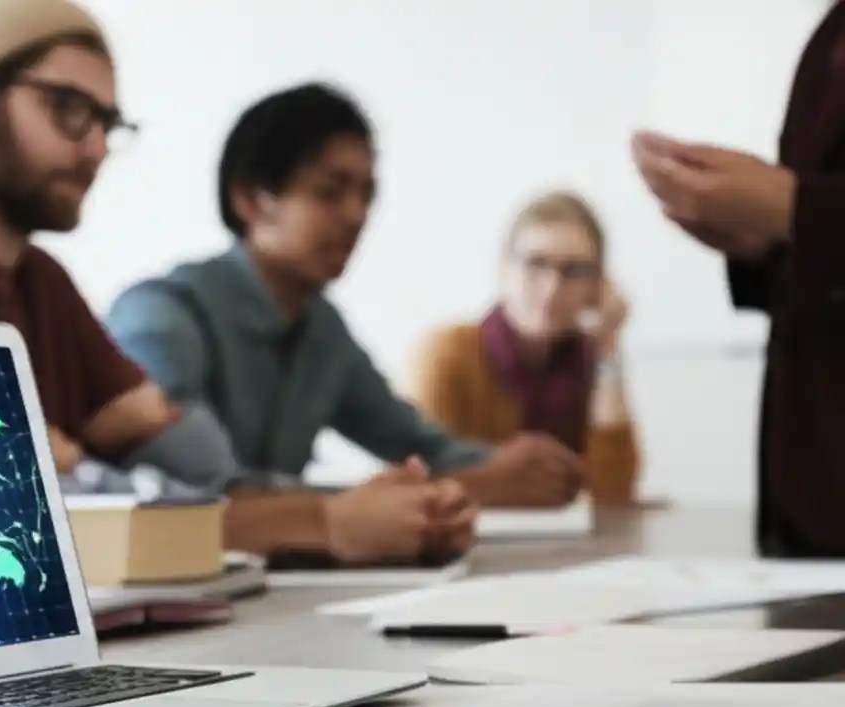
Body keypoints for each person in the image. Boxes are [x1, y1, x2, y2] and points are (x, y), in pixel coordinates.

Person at [0, 0, 476, 564]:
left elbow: (202, 478)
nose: (97, 148)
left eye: (107, 123)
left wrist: (366, 512)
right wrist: (327, 522)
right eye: (68, 109)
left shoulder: (44, 283)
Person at [107, 83, 587, 509]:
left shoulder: (321, 330)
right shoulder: (160, 317)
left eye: (366, 195)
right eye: (329, 192)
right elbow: (196, 496)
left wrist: (512, 469)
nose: (357, 215)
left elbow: (417, 443)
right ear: (250, 199)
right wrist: (460, 487)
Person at [632, 2, 845, 556]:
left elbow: (804, 210)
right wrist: (765, 242)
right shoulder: (830, 33)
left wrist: (794, 209)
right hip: (812, 497)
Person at [406, 191, 641, 504]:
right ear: (505, 268)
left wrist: (609, 346)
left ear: (596, 286)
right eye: (536, 263)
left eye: (574, 271)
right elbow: (418, 481)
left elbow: (614, 495)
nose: (552, 287)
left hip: (557, 537)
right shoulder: (448, 354)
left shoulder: (588, 365)